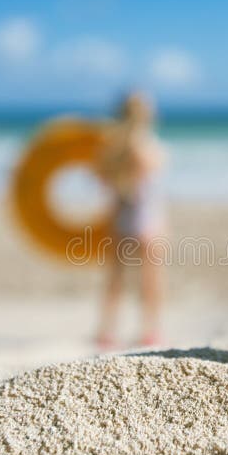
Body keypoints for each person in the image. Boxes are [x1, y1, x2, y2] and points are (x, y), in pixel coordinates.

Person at [94, 91, 166, 348]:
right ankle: (151, 330)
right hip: (146, 215)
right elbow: (148, 180)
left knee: (116, 277)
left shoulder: (114, 147)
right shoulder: (146, 144)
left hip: (124, 214)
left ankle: (107, 331)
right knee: (149, 279)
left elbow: (106, 181)